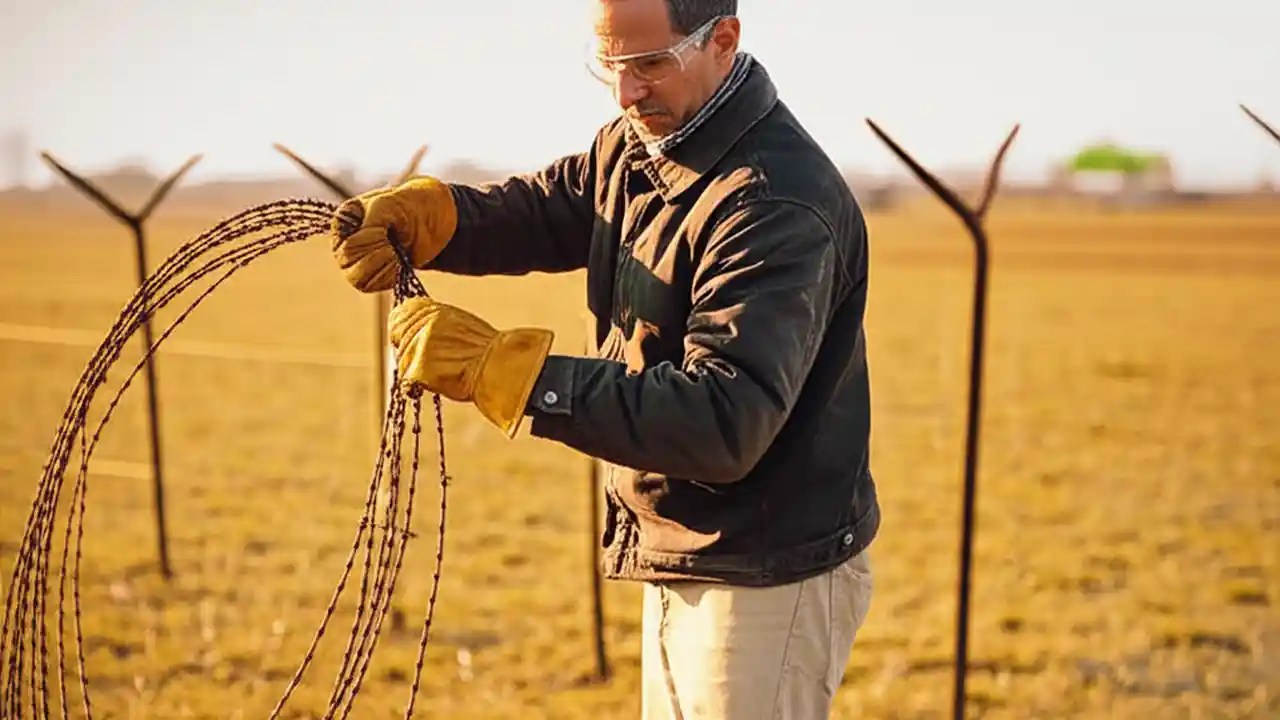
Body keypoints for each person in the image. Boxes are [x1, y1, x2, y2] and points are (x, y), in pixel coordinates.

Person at [329, 1, 879, 716]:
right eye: (610, 67)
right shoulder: (645, 140)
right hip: (689, 545)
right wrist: (442, 221)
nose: (626, 93)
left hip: (767, 568)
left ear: (724, 40)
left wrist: (509, 372)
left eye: (650, 64)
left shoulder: (772, 205)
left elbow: (723, 420)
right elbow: (553, 207)